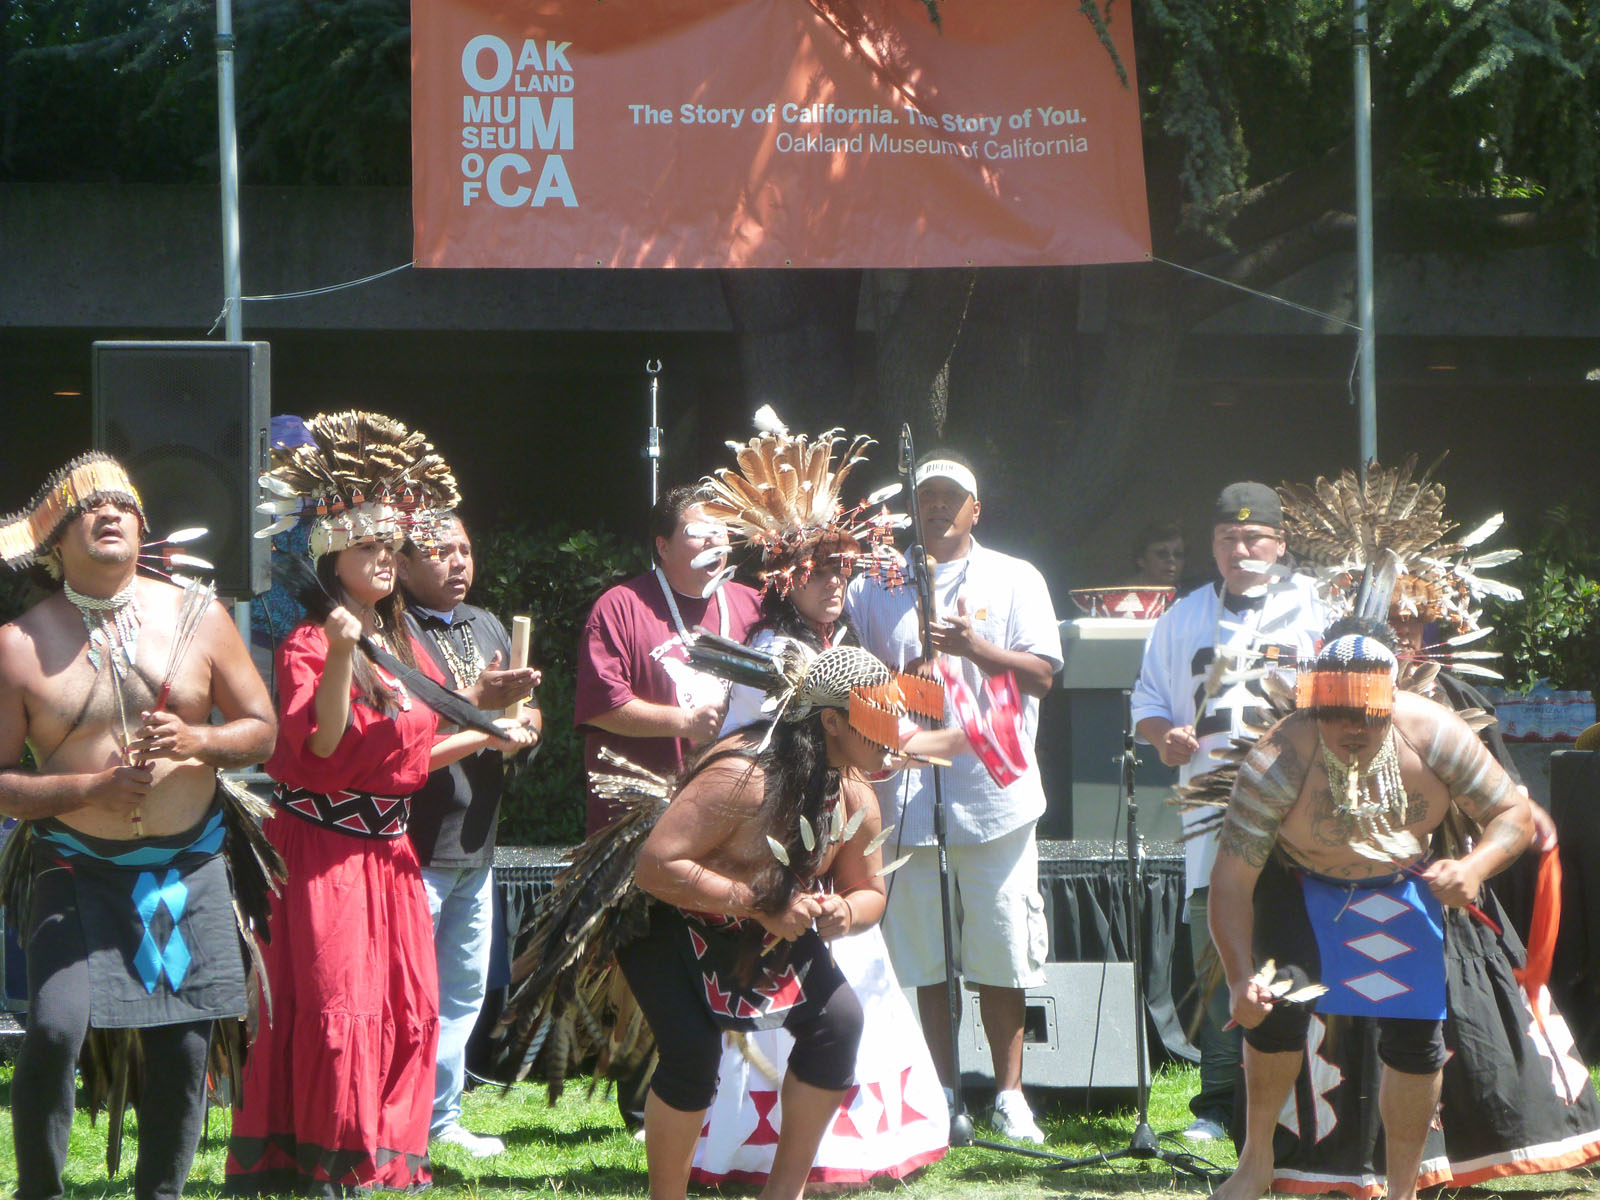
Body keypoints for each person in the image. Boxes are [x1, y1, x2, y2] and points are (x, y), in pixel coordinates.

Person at [226, 412, 531, 1195]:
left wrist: (487, 726)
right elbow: (324, 747)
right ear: (333, 557)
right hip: (324, 856)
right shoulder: (306, 643)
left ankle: (379, 1159)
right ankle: (324, 1161)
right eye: (370, 547)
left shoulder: (405, 650)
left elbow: (409, 758)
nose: (387, 560)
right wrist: (336, 656)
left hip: (393, 856)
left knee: (404, 1007)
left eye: (391, 546)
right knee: (338, 1007)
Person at [0, 453, 278, 1200]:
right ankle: (39, 1192)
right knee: (56, 1030)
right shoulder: (18, 644)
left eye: (124, 502)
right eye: (90, 507)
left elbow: (262, 731)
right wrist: (92, 784)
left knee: (185, 1049)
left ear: (143, 523)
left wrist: (199, 742)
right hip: (72, 863)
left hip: (184, 868)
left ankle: (162, 1194)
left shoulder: (197, 616)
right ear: (55, 540)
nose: (111, 512)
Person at [690, 414, 950, 1185]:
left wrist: (893, 755)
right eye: (819, 571)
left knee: (851, 976)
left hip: (837, 843)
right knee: (787, 996)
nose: (835, 583)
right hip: (780, 847)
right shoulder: (768, 654)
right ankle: (765, 1146)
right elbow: (749, 758)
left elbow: (873, 749)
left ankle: (850, 1138)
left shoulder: (841, 651)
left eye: (843, 570)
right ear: (784, 577)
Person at [1207, 620, 1536, 1200]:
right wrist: (1237, 979)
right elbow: (1232, 882)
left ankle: (1403, 1189)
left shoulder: (1435, 734)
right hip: (1299, 884)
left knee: (1414, 1034)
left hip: (1404, 882)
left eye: (1365, 712)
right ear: (1313, 706)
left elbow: (1514, 814)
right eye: (1334, 713)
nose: (1351, 727)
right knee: (1274, 1004)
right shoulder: (1279, 759)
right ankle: (1257, 1158)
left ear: (1392, 699)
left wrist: (1474, 868)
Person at [621, 643, 913, 1200]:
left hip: (764, 924)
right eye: (881, 715)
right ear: (832, 721)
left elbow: (869, 893)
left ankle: (783, 1194)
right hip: (665, 919)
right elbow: (656, 866)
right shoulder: (744, 775)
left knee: (838, 1025)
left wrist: (842, 912)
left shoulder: (853, 792)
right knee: (691, 1053)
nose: (896, 730)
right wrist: (757, 900)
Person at [845, 449, 1061, 1144]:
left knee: (1000, 949)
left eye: (952, 497)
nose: (937, 506)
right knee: (928, 957)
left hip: (994, 794)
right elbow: (857, 691)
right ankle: (943, 1091)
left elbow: (1042, 676)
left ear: (976, 510)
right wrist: (912, 674)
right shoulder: (874, 583)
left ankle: (1009, 1093)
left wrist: (976, 649)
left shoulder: (1015, 576)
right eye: (927, 496)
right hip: (910, 793)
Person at [1130, 481, 1325, 1143]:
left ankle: (1312, 1085)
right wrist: (1166, 738)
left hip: (1300, 806)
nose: (1240, 549)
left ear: (1280, 542)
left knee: (1300, 936)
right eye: (1226, 538)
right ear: (1211, 545)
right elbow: (1148, 699)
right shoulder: (1183, 616)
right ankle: (1219, 1100)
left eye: (1253, 537)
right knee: (1218, 949)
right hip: (1212, 809)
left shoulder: (1314, 609)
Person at [398, 514, 542, 1159]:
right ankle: (392, 1118)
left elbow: (521, 709)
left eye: (465, 548)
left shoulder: (484, 623)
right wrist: (488, 722)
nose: (458, 562)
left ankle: (439, 1118)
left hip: (474, 842)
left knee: (459, 991)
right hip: (412, 844)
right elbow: (409, 736)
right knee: (409, 991)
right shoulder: (393, 633)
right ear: (400, 564)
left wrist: (527, 723)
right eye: (440, 552)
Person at [574, 484, 762, 834]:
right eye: (698, 534)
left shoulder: (755, 605)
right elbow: (602, 708)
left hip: (735, 820)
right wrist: (686, 721)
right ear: (662, 546)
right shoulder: (621, 607)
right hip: (642, 821)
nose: (713, 541)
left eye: (720, 531)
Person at [1131, 519, 1186, 588]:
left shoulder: (1189, 594)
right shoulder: (1120, 596)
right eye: (1162, 554)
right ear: (1141, 560)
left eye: (1178, 555)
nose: (1172, 560)